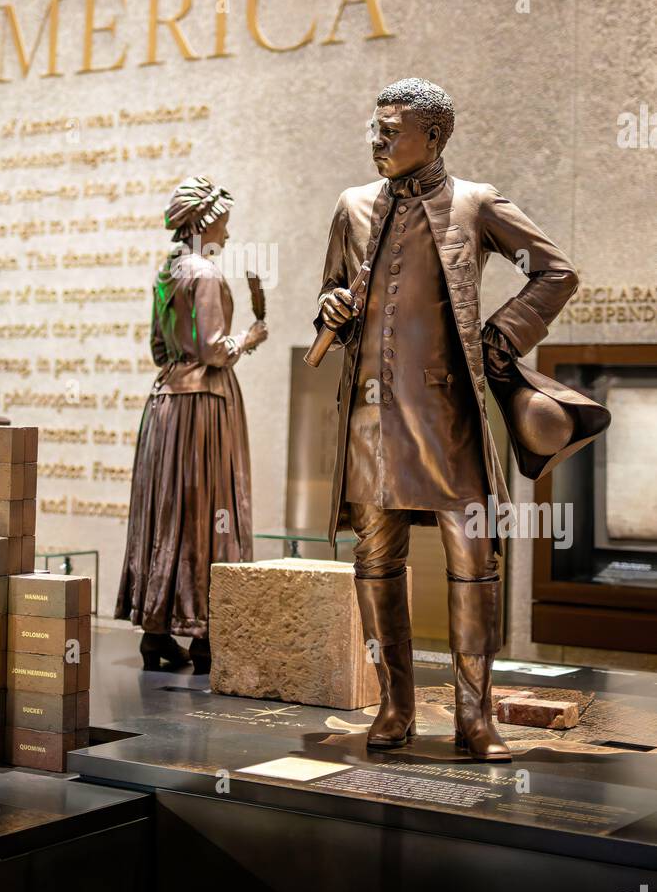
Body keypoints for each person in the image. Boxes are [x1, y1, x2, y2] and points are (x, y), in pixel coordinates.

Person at [315, 78, 608, 760]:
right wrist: (329, 305)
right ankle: (394, 706)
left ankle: (475, 718)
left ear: (436, 137)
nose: (376, 139)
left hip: (450, 416)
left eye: (391, 129)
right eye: (374, 126)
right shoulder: (352, 206)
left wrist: (498, 338)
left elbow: (555, 272)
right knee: (374, 559)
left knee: (472, 563)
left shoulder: (474, 203)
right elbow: (331, 285)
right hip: (370, 417)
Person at [115, 176, 267, 674]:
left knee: (169, 511)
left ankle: (157, 630)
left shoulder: (167, 274)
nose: (227, 227)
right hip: (203, 407)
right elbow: (212, 350)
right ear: (204, 221)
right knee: (207, 506)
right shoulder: (204, 274)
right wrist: (250, 337)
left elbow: (159, 350)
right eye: (222, 219)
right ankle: (203, 631)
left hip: (165, 405)